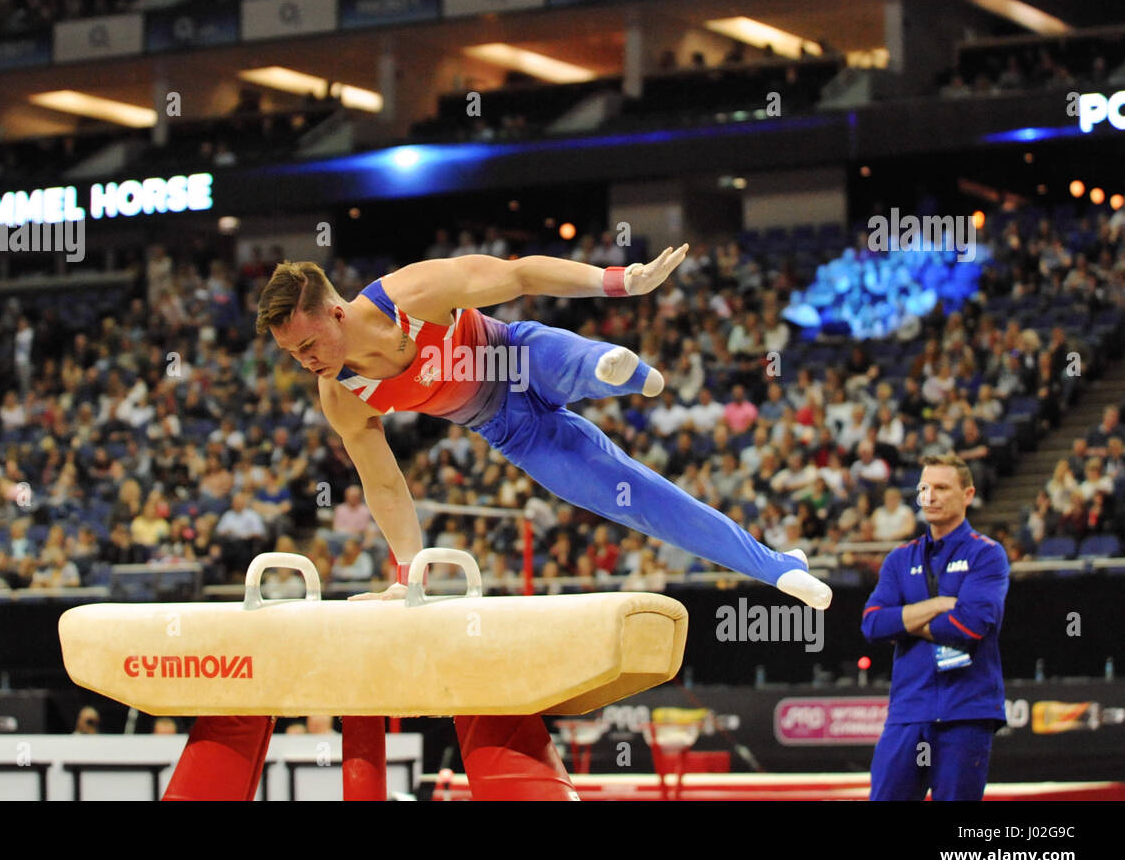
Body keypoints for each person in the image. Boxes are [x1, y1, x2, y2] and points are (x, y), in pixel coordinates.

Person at [256, 250, 830, 609]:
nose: (304, 361)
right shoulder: (342, 397)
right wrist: (408, 573)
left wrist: (620, 282)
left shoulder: (412, 293)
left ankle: (616, 372)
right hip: (513, 432)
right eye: (291, 354)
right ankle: (777, 568)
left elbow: (520, 273)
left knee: (572, 362)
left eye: (307, 345)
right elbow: (383, 485)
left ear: (335, 313)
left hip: (518, 356)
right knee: (638, 502)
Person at [861, 453, 1010, 800]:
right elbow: (871, 625)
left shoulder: (987, 554)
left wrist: (906, 619)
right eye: (925, 488)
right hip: (909, 711)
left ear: (968, 494)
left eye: (942, 488)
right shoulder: (900, 558)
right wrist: (937, 606)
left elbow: (968, 627)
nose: (930, 497)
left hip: (966, 710)